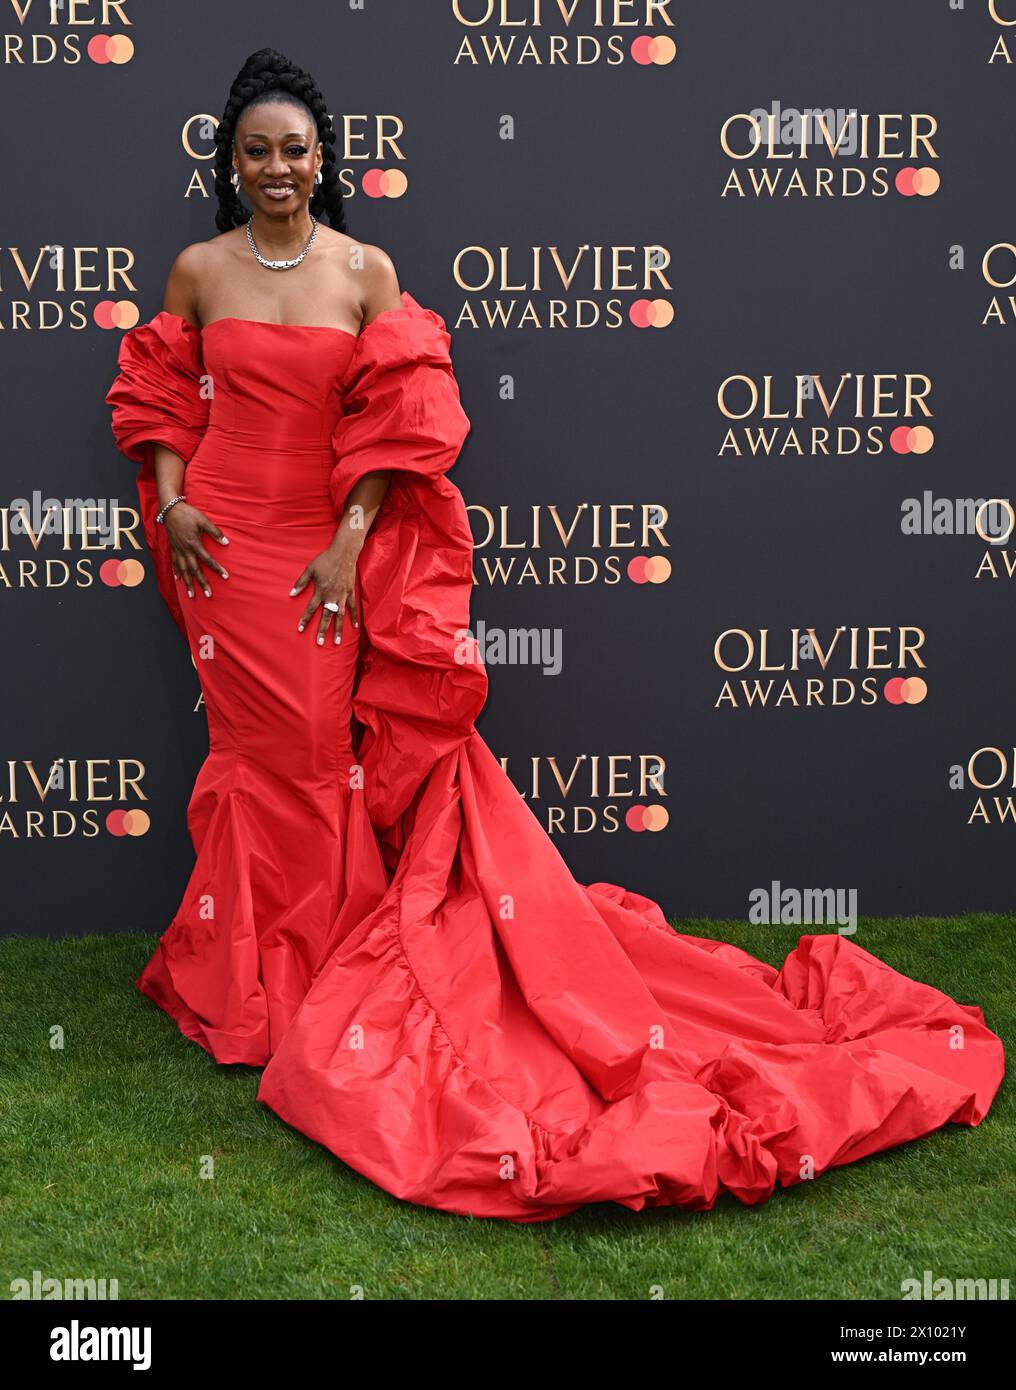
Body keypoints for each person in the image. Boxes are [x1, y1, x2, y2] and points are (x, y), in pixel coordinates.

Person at [106, 48, 1005, 1223]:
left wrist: (347, 540)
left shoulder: (366, 273)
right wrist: (172, 502)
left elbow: (404, 425)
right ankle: (242, 985)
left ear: (325, 160)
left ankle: (318, 980)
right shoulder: (197, 269)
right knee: (253, 762)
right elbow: (159, 390)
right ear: (231, 163)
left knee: (324, 761)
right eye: (256, 151)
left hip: (320, 552)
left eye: (294, 149)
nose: (276, 168)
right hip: (222, 547)